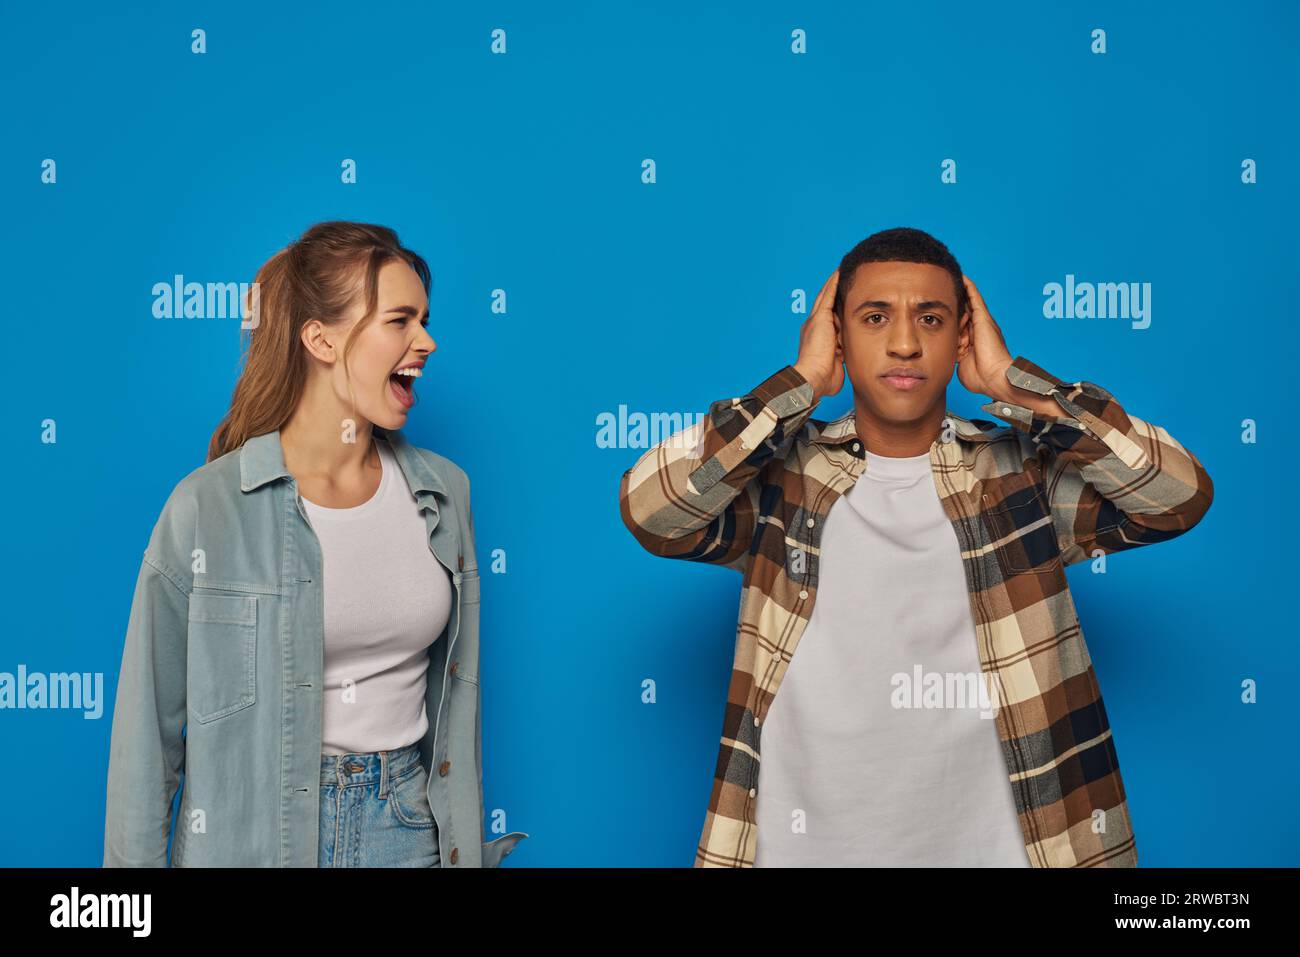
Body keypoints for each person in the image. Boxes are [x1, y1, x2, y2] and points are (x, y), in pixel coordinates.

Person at [618, 227, 1213, 867]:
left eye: (929, 318)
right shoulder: (781, 481)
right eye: (875, 318)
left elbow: (1177, 496)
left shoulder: (1020, 480)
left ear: (962, 336)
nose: (904, 343)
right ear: (838, 335)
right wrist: (798, 383)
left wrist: (1018, 386)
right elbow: (652, 511)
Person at [103, 221, 527, 867]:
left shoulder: (445, 492)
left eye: (425, 319)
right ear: (320, 338)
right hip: (248, 839)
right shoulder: (207, 505)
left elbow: (454, 709)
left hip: (404, 827)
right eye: (400, 320)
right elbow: (146, 736)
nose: (427, 341)